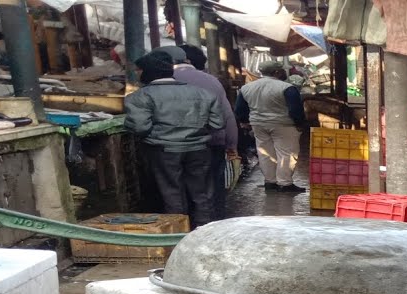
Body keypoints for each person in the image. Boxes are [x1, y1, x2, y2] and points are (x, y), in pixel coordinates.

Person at [124, 50, 224, 227]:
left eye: (139, 70)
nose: (138, 74)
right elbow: (217, 124)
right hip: (199, 150)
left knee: (172, 193)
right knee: (202, 194)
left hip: (163, 151)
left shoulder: (140, 97)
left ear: (147, 71)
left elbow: (140, 128)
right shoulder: (203, 93)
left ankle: (178, 234)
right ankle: (204, 230)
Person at [159, 44, 237, 218]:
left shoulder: (162, 80)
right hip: (211, 143)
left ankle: (181, 229)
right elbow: (227, 115)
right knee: (211, 190)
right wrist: (232, 144)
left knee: (175, 190)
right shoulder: (211, 81)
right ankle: (211, 225)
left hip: (170, 145)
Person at [235, 60, 308, 192]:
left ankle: (270, 182)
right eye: (281, 70)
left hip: (258, 124)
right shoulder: (286, 88)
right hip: (284, 125)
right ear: (276, 72)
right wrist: (299, 123)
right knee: (286, 153)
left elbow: (240, 110)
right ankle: (285, 183)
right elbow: (295, 110)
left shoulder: (246, 88)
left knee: (265, 152)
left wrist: (246, 122)